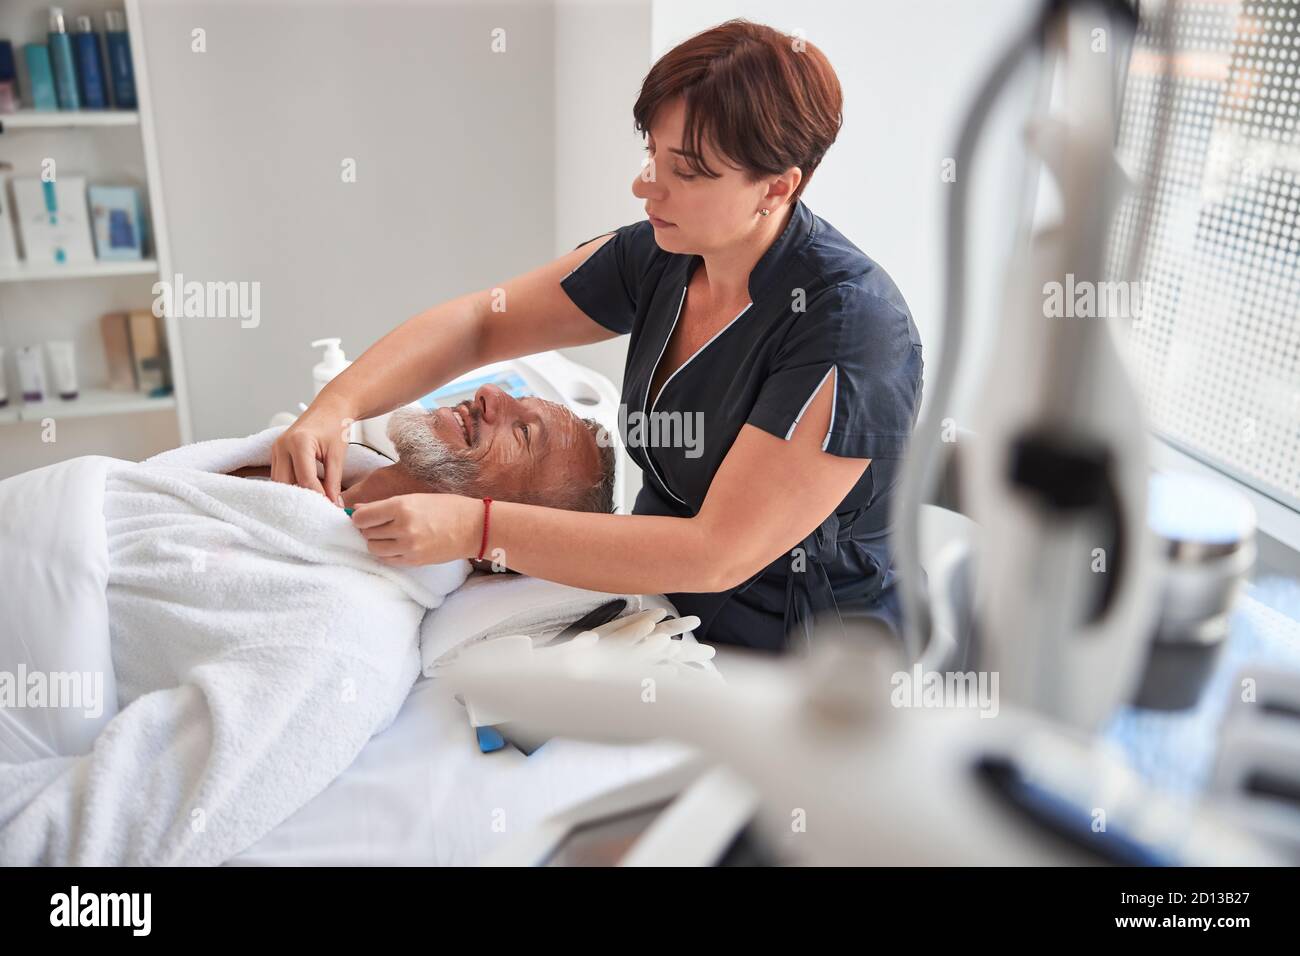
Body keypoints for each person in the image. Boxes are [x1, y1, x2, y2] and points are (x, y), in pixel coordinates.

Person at [273, 19, 924, 652]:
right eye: (654, 155)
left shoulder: (852, 331)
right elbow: (482, 324)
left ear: (779, 187)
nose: (645, 186)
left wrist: (479, 527)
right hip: (651, 593)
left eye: (688, 171)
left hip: (806, 652)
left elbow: (717, 553)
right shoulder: (667, 254)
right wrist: (338, 406)